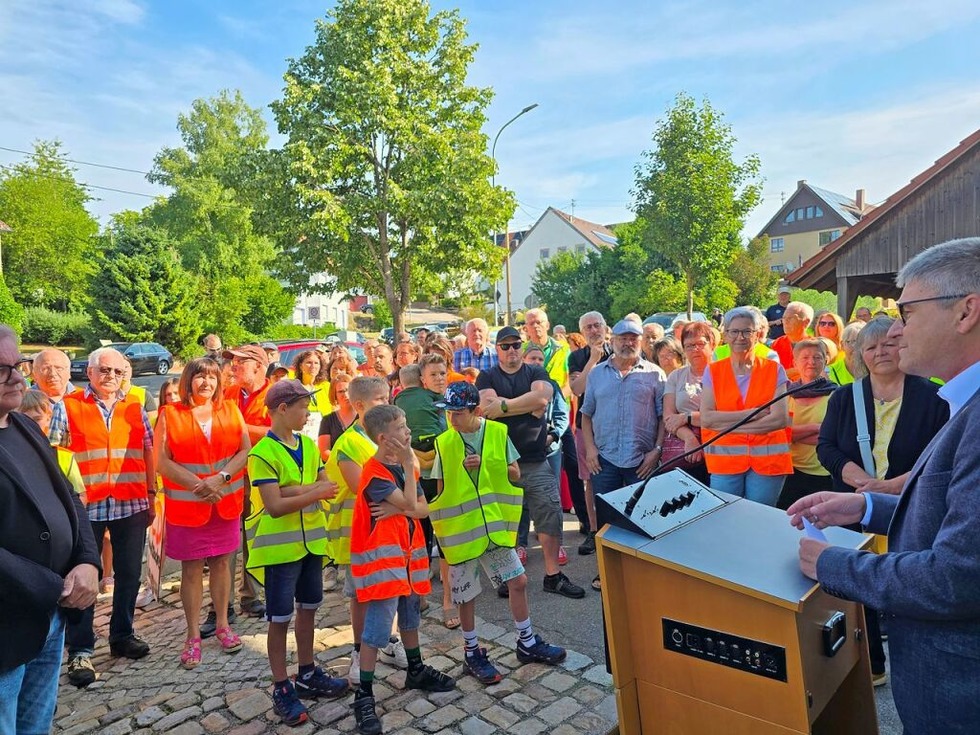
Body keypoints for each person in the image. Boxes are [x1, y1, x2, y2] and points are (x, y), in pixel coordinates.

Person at [787, 238, 980, 733]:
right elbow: (952, 518)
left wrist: (831, 563)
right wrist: (865, 508)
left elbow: (954, 579)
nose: (895, 331)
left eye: (908, 313)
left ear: (966, 311)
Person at [811, 316, 949, 686]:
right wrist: (862, 482)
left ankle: (916, 668)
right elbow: (826, 447)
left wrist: (892, 488)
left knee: (906, 582)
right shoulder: (843, 397)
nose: (880, 352)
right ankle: (872, 666)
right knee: (857, 582)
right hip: (852, 503)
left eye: (888, 344)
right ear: (860, 356)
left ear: (903, 346)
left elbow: (940, 454)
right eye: (870, 347)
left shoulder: (935, 397)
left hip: (913, 503)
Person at [430, 382, 567, 686]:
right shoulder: (444, 443)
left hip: (493, 528)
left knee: (518, 581)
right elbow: (440, 492)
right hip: (463, 533)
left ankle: (527, 642)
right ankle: (471, 652)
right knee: (466, 594)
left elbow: (516, 473)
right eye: (448, 413)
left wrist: (487, 465)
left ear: (474, 411)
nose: (452, 419)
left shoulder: (496, 433)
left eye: (457, 413)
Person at [0, 325, 101, 735]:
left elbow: (69, 499)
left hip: (49, 620)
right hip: (7, 628)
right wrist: (54, 585)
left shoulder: (24, 426)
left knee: (35, 726)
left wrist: (88, 561)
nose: (20, 378)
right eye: (3, 370)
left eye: (18, 366)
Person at [49, 346, 156, 687]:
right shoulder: (68, 407)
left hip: (130, 504)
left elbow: (147, 451)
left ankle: (122, 635)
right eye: (104, 371)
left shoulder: (135, 407)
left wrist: (151, 494)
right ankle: (80, 649)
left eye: (117, 372)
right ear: (90, 373)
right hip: (85, 508)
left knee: (128, 575)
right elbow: (56, 459)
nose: (111, 377)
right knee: (84, 579)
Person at [245, 379, 349, 726]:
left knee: (309, 610)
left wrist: (298, 490)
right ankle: (281, 685)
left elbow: (329, 486)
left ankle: (306, 671)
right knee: (279, 619)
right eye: (303, 407)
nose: (308, 413)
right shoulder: (262, 452)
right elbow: (274, 505)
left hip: (311, 545)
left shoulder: (306, 443)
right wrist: (312, 491)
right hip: (280, 551)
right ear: (282, 409)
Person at [350, 404, 455, 735]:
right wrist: (408, 492)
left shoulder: (406, 468)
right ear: (385, 438)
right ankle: (363, 694)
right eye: (402, 426)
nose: (408, 431)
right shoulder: (375, 472)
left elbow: (421, 509)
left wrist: (398, 511)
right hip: (384, 565)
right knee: (377, 629)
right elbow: (413, 504)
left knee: (411, 618)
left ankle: (416, 668)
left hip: (409, 559)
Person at [155, 357, 251, 670]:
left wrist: (220, 478)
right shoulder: (170, 415)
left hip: (224, 502)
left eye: (211, 377)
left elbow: (244, 451)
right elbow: (163, 461)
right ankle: (193, 634)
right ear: (188, 382)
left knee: (223, 564)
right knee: (192, 569)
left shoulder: (231, 410)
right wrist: (199, 485)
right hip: (189, 506)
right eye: (199, 377)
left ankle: (223, 624)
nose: (205, 383)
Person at [476, 326, 585, 599]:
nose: (511, 350)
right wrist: (525, 405)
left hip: (535, 460)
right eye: (505, 346)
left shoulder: (536, 371)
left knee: (549, 514)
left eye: (515, 345)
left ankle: (553, 576)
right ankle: (507, 576)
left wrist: (504, 406)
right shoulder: (487, 375)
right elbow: (486, 406)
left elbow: (542, 398)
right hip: (500, 462)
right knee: (504, 523)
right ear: (497, 349)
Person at [323, 376, 402, 683]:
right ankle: (359, 650)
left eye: (387, 397)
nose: (387, 403)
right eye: (380, 400)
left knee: (389, 586)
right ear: (358, 406)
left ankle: (390, 641)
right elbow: (364, 488)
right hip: (357, 534)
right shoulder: (348, 444)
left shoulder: (385, 436)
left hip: (386, 529)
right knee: (361, 596)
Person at [580, 319, 666, 592]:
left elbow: (663, 417)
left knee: (642, 517)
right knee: (607, 520)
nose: (628, 343)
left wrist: (657, 451)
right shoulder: (596, 374)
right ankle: (607, 573)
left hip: (641, 460)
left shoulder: (655, 374)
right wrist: (590, 449)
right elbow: (586, 415)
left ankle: (640, 574)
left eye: (633, 338)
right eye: (622, 338)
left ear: (641, 341)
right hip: (605, 459)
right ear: (611, 339)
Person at [700, 307, 792, 506]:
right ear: (725, 335)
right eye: (734, 331)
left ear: (757, 335)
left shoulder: (774, 369)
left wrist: (727, 425)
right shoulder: (713, 371)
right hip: (725, 463)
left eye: (747, 331)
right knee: (724, 519)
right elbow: (706, 418)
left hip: (768, 464)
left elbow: (779, 419)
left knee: (759, 520)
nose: (740, 337)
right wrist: (752, 414)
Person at [393, 358, 452, 625]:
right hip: (431, 471)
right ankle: (444, 597)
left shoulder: (399, 401)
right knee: (437, 531)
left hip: (418, 470)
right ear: (422, 380)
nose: (440, 378)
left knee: (423, 532)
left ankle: (422, 588)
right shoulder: (436, 400)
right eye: (434, 374)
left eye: (443, 373)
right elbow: (445, 433)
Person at [220, 344, 272, 621]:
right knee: (228, 537)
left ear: (259, 366)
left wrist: (238, 427)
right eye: (233, 362)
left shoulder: (274, 394)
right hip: (230, 474)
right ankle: (223, 603)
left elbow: (278, 430)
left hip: (260, 476)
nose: (234, 367)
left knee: (253, 537)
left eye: (240, 362)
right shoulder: (228, 393)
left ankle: (251, 596)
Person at [568, 311, 612, 556]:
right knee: (589, 479)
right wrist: (592, 360)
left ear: (605, 327)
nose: (594, 330)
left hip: (616, 425)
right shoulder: (577, 357)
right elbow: (577, 388)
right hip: (586, 426)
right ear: (582, 333)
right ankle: (593, 530)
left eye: (597, 325)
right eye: (588, 328)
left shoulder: (620, 351)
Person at [775, 340, 835, 510]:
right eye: (805, 357)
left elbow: (833, 436)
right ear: (795, 363)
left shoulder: (836, 395)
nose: (812, 362)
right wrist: (817, 427)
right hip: (789, 472)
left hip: (824, 473)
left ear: (826, 361)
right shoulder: (786, 396)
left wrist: (795, 435)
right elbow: (780, 435)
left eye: (817, 357)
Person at [660, 322, 715, 486]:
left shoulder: (723, 373)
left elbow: (722, 415)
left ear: (712, 344)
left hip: (718, 450)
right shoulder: (676, 377)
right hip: (685, 451)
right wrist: (690, 439)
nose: (695, 349)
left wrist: (686, 417)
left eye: (700, 343)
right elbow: (668, 417)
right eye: (689, 345)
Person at [524, 308, 571, 394]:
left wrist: (555, 400)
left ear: (547, 325)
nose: (535, 326)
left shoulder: (563, 348)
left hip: (559, 403)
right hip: (530, 403)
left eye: (538, 322)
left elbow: (570, 381)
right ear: (526, 328)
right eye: (531, 323)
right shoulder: (521, 350)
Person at [292, 350, 332, 439]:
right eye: (309, 363)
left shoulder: (327, 387)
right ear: (301, 366)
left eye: (316, 363)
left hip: (324, 436)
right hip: (302, 436)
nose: (313, 366)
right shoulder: (293, 388)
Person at [771, 301, 815, 379]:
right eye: (784, 318)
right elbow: (772, 373)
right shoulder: (777, 343)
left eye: (791, 318)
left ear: (806, 322)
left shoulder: (814, 346)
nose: (785, 322)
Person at [318, 373, 355, 461]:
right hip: (335, 469)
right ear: (335, 395)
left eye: (348, 390)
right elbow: (324, 452)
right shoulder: (327, 420)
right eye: (340, 391)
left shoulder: (364, 417)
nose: (345, 395)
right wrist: (346, 461)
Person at [829, 321, 865, 386]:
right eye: (850, 342)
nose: (856, 347)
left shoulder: (874, 369)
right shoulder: (830, 371)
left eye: (860, 342)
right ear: (842, 345)